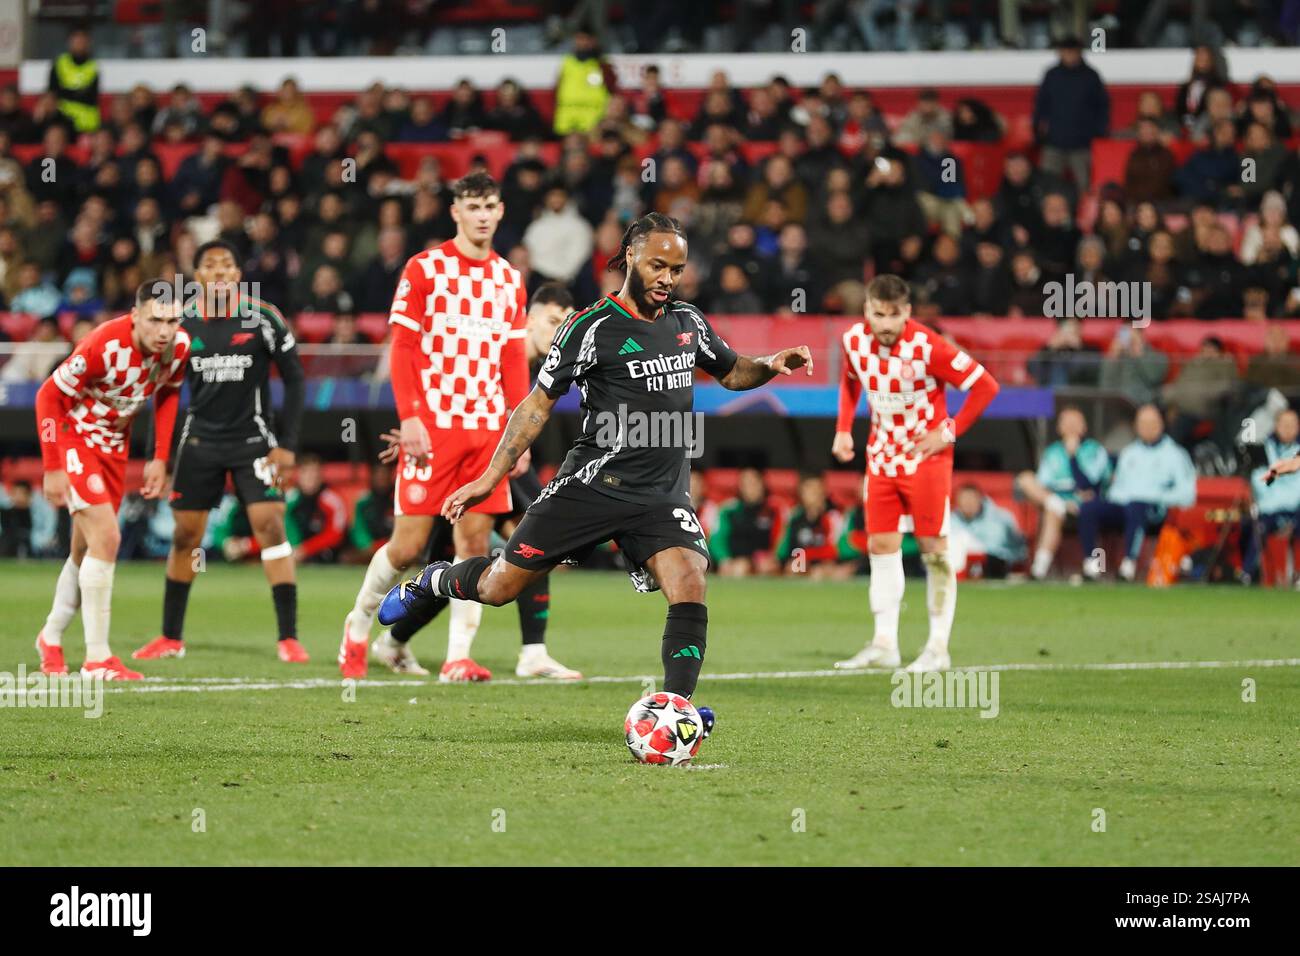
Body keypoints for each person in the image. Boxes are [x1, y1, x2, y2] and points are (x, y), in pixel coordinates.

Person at [380, 212, 815, 749]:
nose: (667, 278)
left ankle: (677, 710)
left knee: (690, 582)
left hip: (660, 494)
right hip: (593, 485)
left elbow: (730, 371)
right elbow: (537, 405)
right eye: (658, 264)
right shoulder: (591, 326)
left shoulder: (688, 321)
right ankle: (437, 580)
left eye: (676, 269)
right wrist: (489, 474)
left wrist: (771, 363)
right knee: (498, 586)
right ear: (630, 254)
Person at [339, 172, 531, 683]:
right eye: (473, 206)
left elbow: (514, 361)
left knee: (474, 546)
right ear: (456, 212)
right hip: (435, 428)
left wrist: (519, 434)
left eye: (491, 205)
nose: (483, 215)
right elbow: (402, 347)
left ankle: (457, 658)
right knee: (407, 549)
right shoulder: (426, 269)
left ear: (501, 210)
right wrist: (411, 418)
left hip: (489, 431)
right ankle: (356, 629)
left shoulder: (510, 278)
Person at [373, 281, 584, 680]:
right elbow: (450, 388)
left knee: (494, 557)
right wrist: (418, 432)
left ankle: (398, 643)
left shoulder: (541, 368)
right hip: (467, 467)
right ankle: (395, 640)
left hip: (494, 469)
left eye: (564, 325)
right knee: (498, 552)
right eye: (552, 321)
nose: (557, 333)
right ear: (529, 319)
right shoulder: (498, 352)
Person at [133, 240, 308, 663]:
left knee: (270, 527)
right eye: (210, 265)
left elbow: (297, 381)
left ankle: (288, 638)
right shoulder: (183, 323)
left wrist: (288, 446)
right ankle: (170, 638)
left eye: (227, 265)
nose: (219, 272)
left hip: (255, 442)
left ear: (237, 274)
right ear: (197, 277)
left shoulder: (263, 318)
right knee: (186, 537)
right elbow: (164, 390)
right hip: (199, 443)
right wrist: (159, 455)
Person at [832, 274, 1000, 673]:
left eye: (894, 315)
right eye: (878, 314)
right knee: (881, 548)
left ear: (907, 312)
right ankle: (885, 643)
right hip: (881, 458)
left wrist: (950, 430)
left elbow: (985, 386)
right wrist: (842, 428)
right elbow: (851, 380)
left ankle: (938, 648)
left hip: (925, 459)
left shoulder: (929, 346)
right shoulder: (853, 341)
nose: (886, 324)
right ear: (867, 311)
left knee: (934, 551)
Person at [33, 283, 189, 679]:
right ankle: (97, 658)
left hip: (114, 449)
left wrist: (159, 457)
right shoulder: (103, 344)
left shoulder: (179, 347)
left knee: (85, 552)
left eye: (172, 321)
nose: (165, 331)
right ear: (136, 316)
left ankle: (50, 637)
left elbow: (169, 393)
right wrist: (52, 466)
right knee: (108, 538)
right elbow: (48, 397)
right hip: (75, 438)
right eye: (155, 320)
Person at [1077, 404, 1196, 582]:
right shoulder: (1129, 452)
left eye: (1151, 423)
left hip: (1156, 510)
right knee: (1089, 509)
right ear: (1136, 426)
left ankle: (1128, 565)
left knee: (1137, 506)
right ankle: (1092, 565)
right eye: (1142, 423)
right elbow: (1117, 487)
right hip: (1123, 504)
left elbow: (1188, 493)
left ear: (1161, 424)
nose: (1147, 427)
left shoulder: (1176, 455)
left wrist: (1157, 497)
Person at [1016, 406, 1112, 580]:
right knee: (1026, 479)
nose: (1070, 428)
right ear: (1059, 428)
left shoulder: (1095, 450)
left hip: (1084, 505)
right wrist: (1058, 498)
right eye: (1066, 423)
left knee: (1076, 509)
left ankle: (1091, 567)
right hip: (1057, 502)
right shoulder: (1052, 452)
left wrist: (1073, 456)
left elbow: (1088, 485)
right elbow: (1042, 484)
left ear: (1084, 427)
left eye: (1075, 423)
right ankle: (1039, 570)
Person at [1245, 408, 1299, 585]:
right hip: (1270, 510)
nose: (1288, 429)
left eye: (1292, 425)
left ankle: (1295, 576)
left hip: (1297, 508)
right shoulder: (1262, 451)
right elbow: (1259, 482)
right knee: (1254, 527)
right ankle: (1248, 575)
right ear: (1276, 426)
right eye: (1284, 424)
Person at [709, 467, 779, 576]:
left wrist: (775, 557)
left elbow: (783, 537)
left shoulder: (775, 509)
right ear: (740, 487)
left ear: (762, 484)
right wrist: (725, 560)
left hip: (766, 564)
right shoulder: (728, 510)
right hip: (735, 563)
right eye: (746, 484)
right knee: (740, 569)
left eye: (754, 483)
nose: (751, 488)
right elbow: (717, 539)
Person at [949, 483, 1026, 580]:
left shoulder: (1001, 518)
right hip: (962, 564)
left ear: (980, 499)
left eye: (971, 499)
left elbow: (1016, 547)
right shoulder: (950, 520)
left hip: (995, 562)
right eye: (964, 499)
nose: (967, 503)